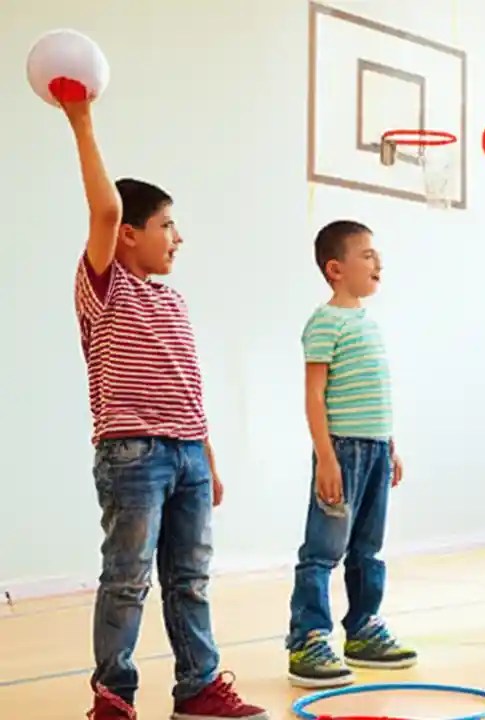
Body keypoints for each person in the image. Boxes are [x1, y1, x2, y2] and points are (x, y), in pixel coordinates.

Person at [66, 98, 267, 718]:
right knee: (127, 579)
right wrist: (81, 118)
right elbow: (103, 206)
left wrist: (206, 456)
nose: (178, 238)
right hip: (133, 455)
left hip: (188, 457)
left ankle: (199, 687)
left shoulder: (172, 301)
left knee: (191, 580)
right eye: (167, 225)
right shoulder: (104, 285)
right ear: (129, 232)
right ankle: (113, 696)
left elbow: (187, 388)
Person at [286, 220, 415, 687]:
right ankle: (308, 637)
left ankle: (363, 628)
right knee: (323, 550)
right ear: (336, 268)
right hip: (342, 453)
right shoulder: (325, 322)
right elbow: (315, 394)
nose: (377, 262)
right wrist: (325, 456)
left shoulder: (367, 321)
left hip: (376, 451)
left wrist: (390, 446)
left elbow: (375, 394)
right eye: (367, 255)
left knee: (368, 549)